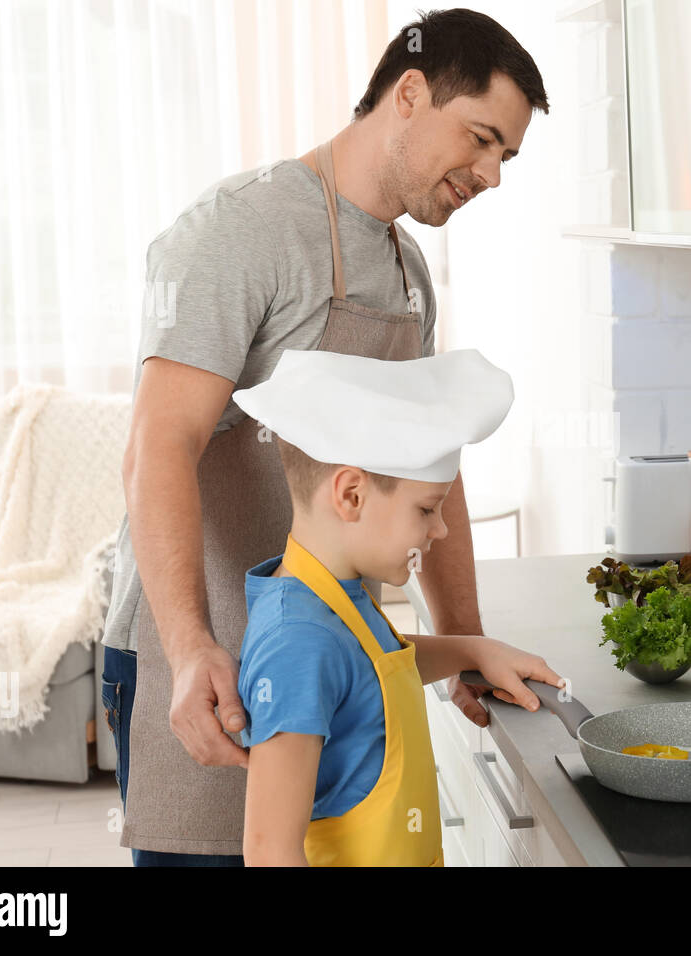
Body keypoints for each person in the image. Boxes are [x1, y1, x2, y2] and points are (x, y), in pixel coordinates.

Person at [99, 7, 549, 865]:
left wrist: (465, 649)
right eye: (482, 138)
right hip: (207, 648)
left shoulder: (409, 273)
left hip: (330, 650)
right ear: (410, 93)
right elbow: (158, 446)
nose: (492, 174)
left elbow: (430, 465)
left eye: (507, 157)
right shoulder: (241, 231)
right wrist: (193, 649)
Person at [232, 348, 560, 866]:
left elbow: (372, 674)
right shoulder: (298, 642)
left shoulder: (336, 597)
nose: (441, 529)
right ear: (352, 496)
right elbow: (270, 850)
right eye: (427, 509)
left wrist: (474, 650)